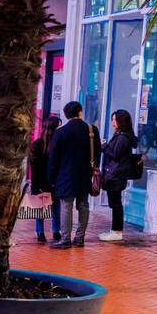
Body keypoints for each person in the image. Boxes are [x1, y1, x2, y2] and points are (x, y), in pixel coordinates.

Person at [48, 101, 94, 248]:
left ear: (66, 115)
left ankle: (65, 239)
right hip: (85, 175)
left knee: (66, 206)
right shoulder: (91, 131)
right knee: (83, 205)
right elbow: (97, 152)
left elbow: (53, 158)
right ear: (80, 112)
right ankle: (80, 238)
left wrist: (51, 178)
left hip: (65, 176)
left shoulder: (61, 132)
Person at [98, 109, 139, 242]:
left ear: (121, 121)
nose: (112, 122)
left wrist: (103, 146)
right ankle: (114, 230)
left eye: (114, 120)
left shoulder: (122, 137)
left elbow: (115, 154)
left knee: (116, 204)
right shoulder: (121, 135)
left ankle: (117, 231)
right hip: (116, 174)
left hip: (117, 175)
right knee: (115, 203)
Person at [29, 115, 62, 243]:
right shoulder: (38, 145)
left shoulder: (54, 144)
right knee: (46, 208)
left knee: (54, 207)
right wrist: (36, 185)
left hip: (51, 182)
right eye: (59, 126)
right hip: (44, 182)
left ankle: (52, 231)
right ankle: (42, 232)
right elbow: (35, 168)